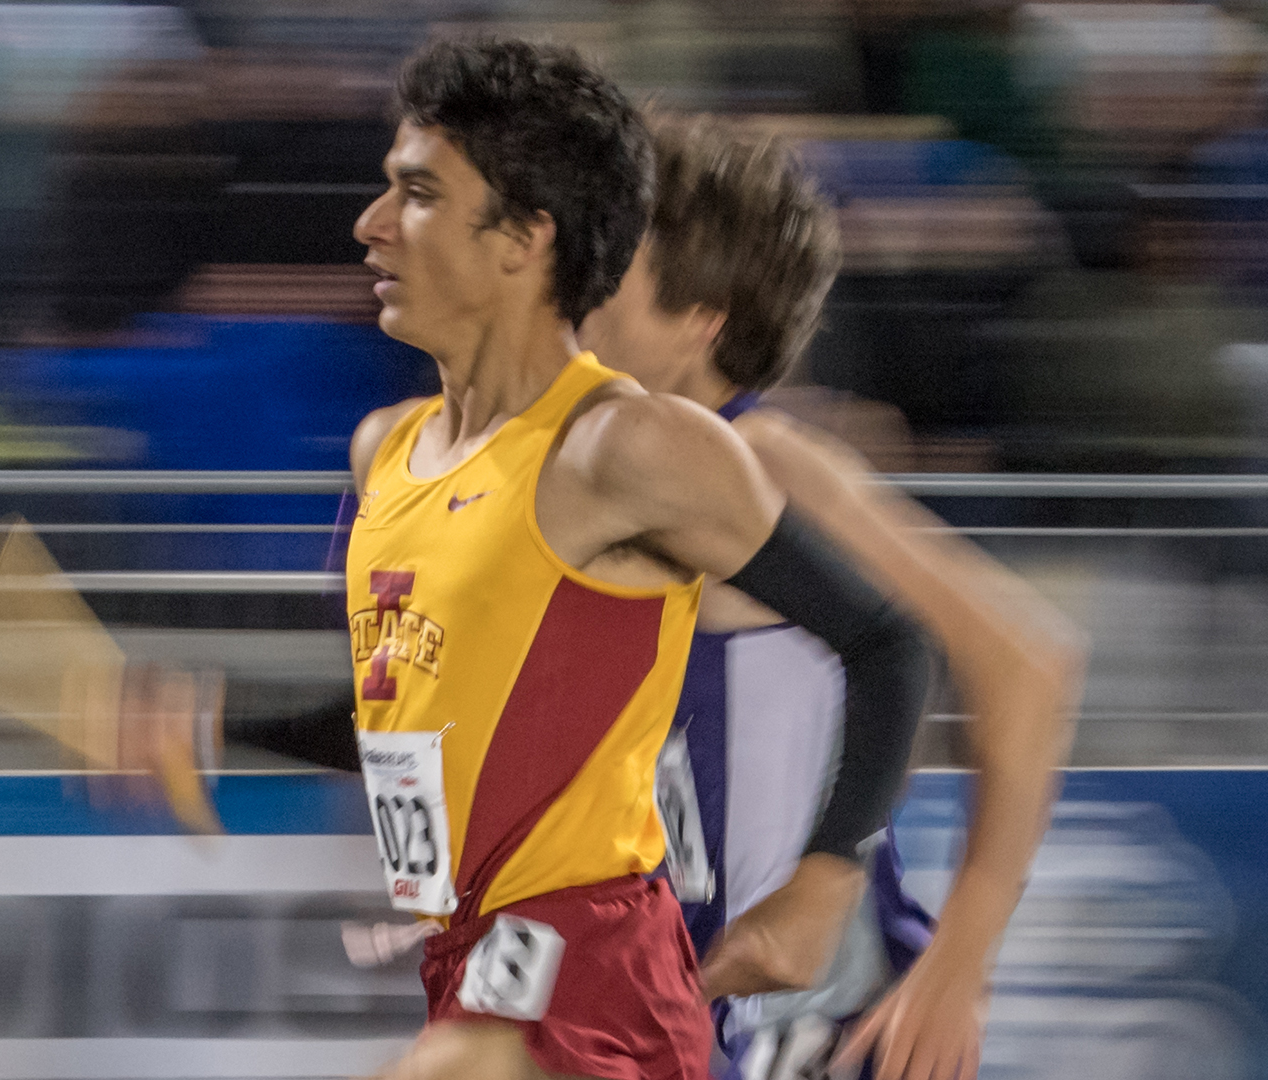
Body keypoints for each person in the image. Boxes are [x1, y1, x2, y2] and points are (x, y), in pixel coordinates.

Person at [343, 39, 931, 1080]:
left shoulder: (628, 447)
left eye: (419, 194)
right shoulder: (387, 451)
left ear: (525, 238)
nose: (372, 224)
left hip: (586, 973)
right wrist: (207, 718)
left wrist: (823, 880)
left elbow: (885, 640)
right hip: (473, 962)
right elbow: (431, 723)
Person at [576, 117, 1086, 1080]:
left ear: (700, 319)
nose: (573, 300)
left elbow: (1029, 662)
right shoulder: (601, 480)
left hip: (802, 1032)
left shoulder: (767, 461)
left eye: (609, 274)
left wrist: (959, 964)